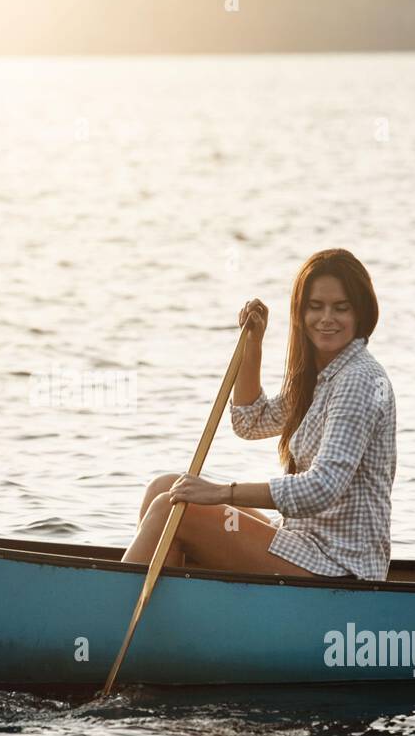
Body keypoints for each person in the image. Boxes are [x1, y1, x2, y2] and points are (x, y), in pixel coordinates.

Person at [121, 248, 396, 580]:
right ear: (300, 311)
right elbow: (250, 422)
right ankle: (163, 612)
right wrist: (253, 343)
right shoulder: (322, 376)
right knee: (166, 487)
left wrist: (222, 492)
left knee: (170, 509)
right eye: (315, 306)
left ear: (362, 312)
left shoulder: (359, 380)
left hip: (338, 564)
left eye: (341, 308)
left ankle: (109, 614)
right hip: (302, 539)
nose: (327, 318)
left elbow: (321, 488)